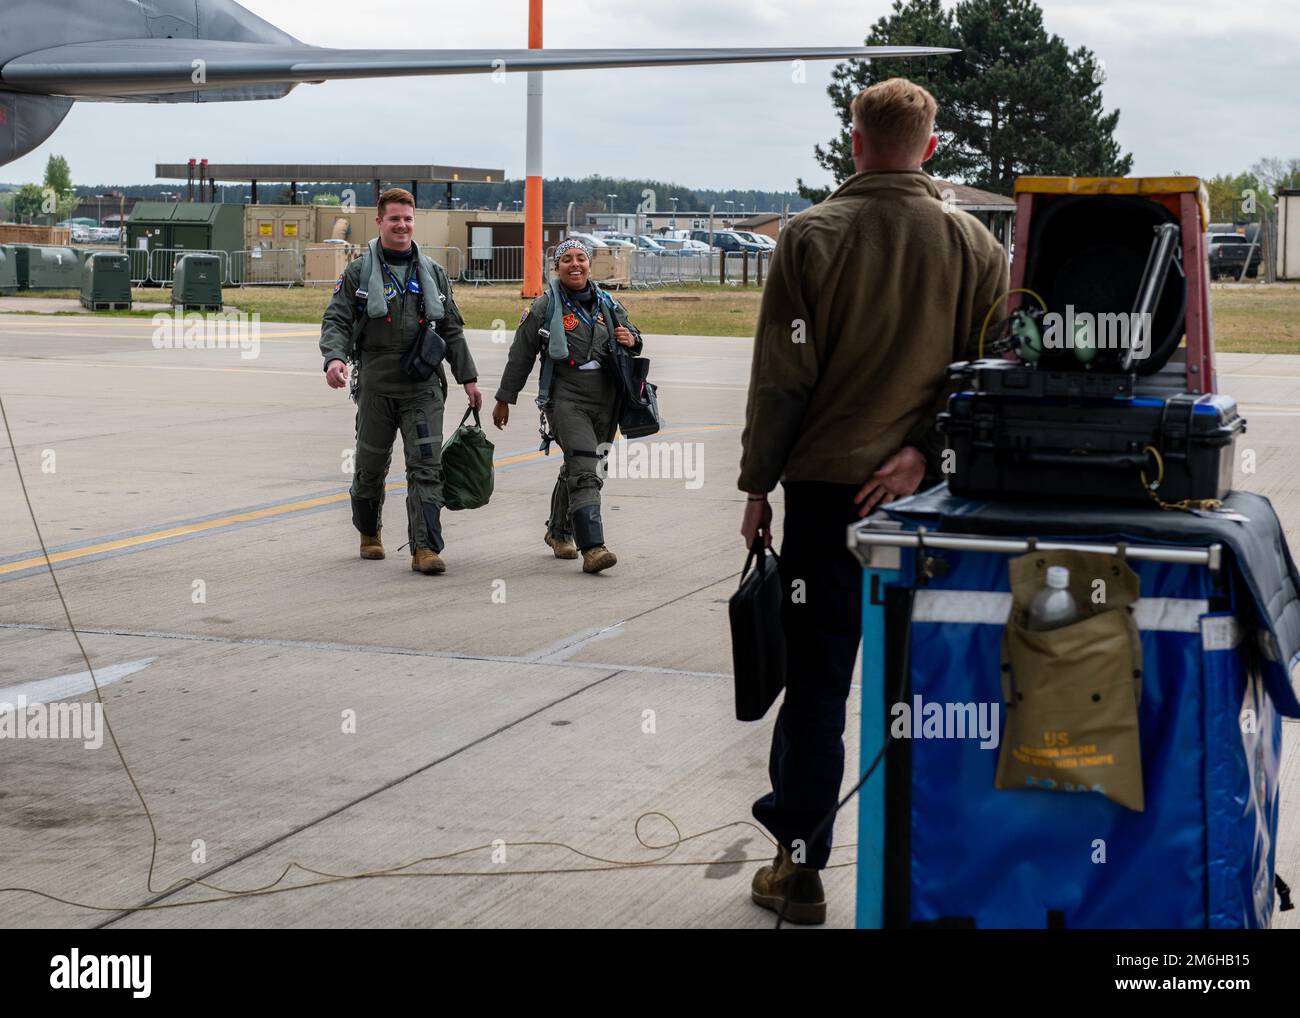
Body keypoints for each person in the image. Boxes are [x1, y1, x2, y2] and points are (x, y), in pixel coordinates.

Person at [738, 78, 1009, 924]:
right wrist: (922, 453)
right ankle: (928, 869)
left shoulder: (809, 239)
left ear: (855, 139)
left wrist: (756, 487)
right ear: (932, 148)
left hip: (824, 500)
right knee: (933, 690)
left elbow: (782, 382)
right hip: (930, 509)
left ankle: (800, 863)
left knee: (817, 685)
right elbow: (989, 378)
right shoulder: (976, 247)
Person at [320, 187, 482, 575]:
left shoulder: (433, 273)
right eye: (394, 218)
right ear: (380, 222)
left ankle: (424, 547)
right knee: (370, 466)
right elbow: (337, 320)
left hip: (423, 384)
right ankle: (369, 531)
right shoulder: (359, 272)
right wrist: (335, 358)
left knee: (426, 467)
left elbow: (452, 330)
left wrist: (469, 379)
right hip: (376, 382)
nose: (402, 225)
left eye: (407, 218)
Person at [491, 238, 642, 574]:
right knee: (586, 468)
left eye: (581, 259)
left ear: (589, 264)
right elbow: (521, 356)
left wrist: (631, 339)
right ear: (556, 268)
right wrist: (504, 398)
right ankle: (593, 548)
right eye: (567, 260)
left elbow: (634, 335)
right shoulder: (545, 307)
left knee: (587, 468)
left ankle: (559, 531)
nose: (575, 265)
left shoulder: (607, 303)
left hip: (607, 399)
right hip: (566, 398)